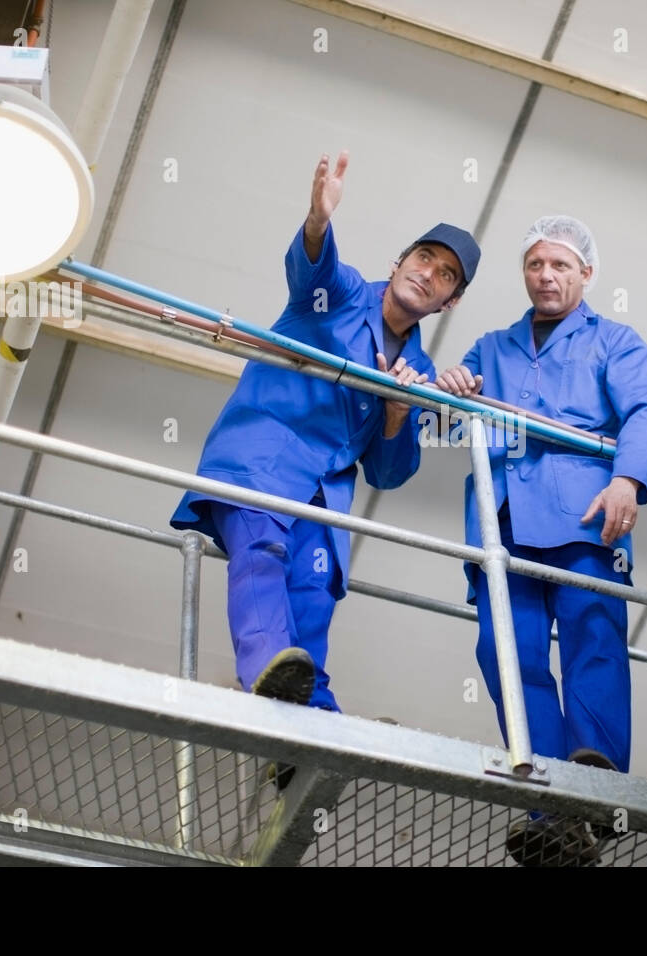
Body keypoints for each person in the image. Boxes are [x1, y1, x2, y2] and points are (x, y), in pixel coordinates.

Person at [171, 151, 480, 727]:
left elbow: (388, 472)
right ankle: (269, 679)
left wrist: (395, 409)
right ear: (400, 260)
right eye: (424, 258)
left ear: (450, 301)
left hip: (324, 495)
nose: (428, 274)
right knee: (261, 551)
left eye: (445, 276)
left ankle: (311, 723)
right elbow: (313, 267)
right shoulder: (339, 295)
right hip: (260, 460)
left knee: (314, 592)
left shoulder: (417, 370)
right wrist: (318, 220)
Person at [435, 215, 647, 866]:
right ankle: (548, 802)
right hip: (502, 523)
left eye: (560, 265)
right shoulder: (492, 347)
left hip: (586, 517)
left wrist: (627, 480)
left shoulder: (614, 342)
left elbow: (643, 411)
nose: (546, 275)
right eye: (536, 264)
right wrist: (450, 390)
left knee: (593, 638)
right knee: (505, 650)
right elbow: (450, 427)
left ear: (586, 275)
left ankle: (592, 781)